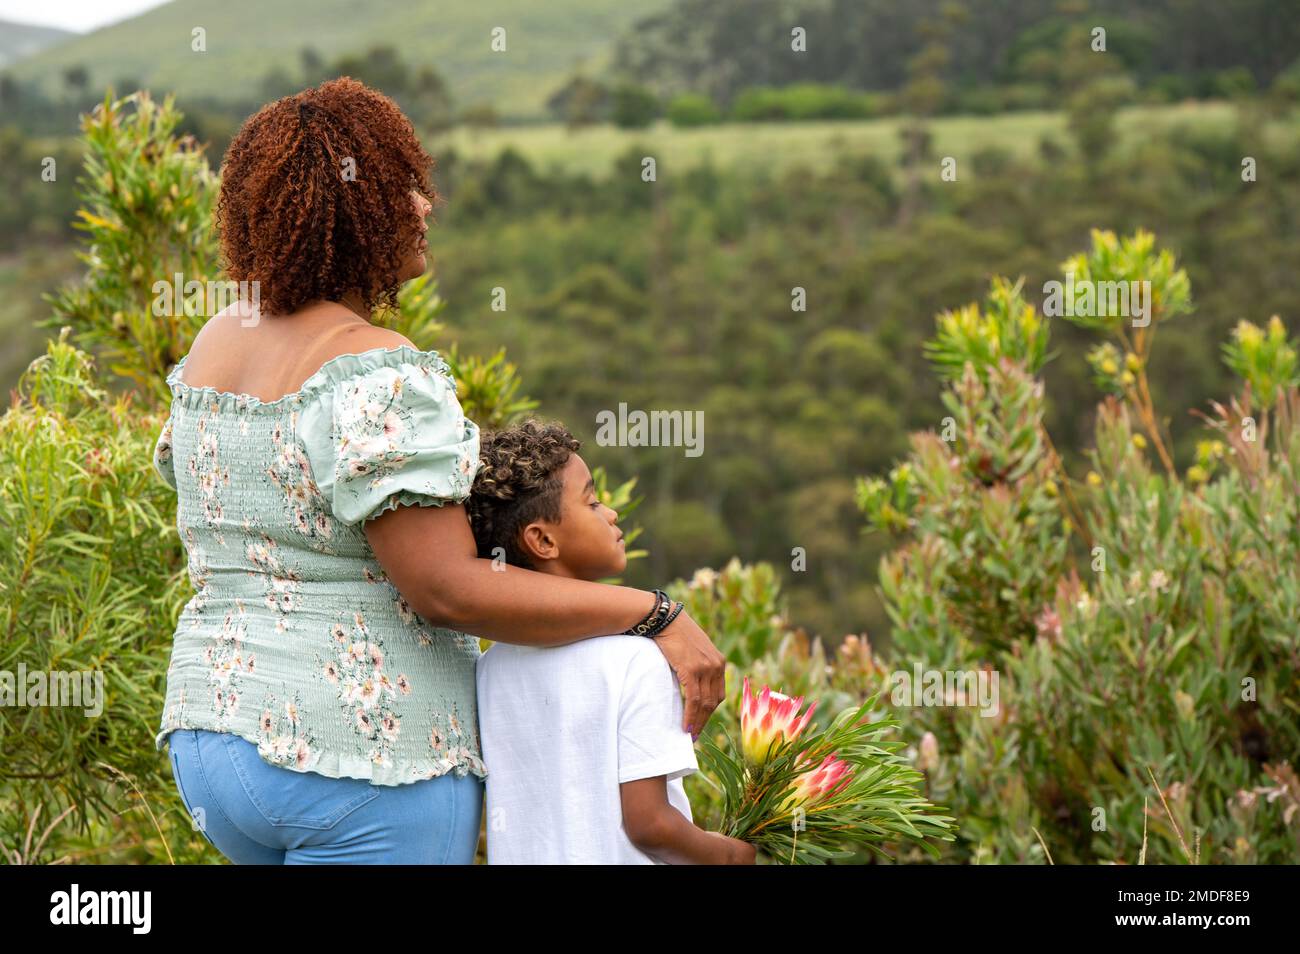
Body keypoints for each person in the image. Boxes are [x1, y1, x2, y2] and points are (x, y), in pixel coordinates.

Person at [154, 76, 726, 864]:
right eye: (403, 190)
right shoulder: (374, 368)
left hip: (212, 744)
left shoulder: (218, 340)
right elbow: (446, 589)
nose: (427, 207)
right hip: (359, 759)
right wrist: (655, 614)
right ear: (350, 212)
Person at [469, 419, 756, 864]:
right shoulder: (636, 658)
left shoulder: (489, 668)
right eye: (593, 501)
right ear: (543, 540)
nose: (612, 513)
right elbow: (651, 827)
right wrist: (733, 856)